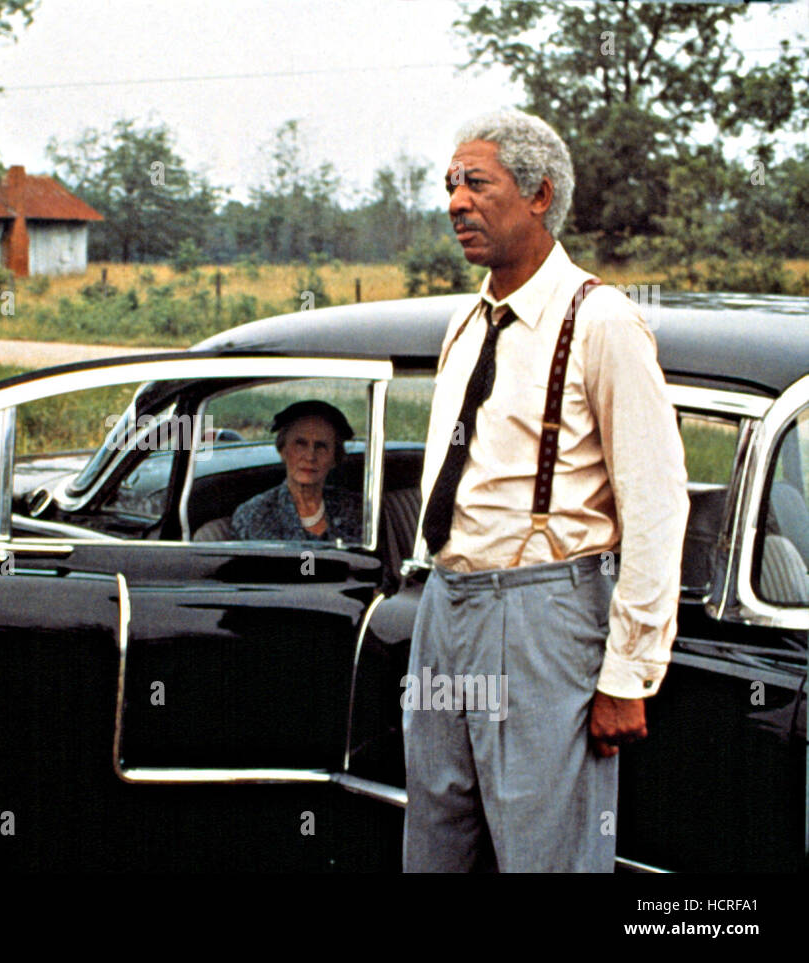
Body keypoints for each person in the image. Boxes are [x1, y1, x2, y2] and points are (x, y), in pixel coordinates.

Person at [403, 110, 689, 872]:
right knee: (435, 842)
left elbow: (658, 507)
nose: (456, 201)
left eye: (477, 183)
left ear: (540, 194)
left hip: (542, 615)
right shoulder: (466, 324)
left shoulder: (600, 322)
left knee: (545, 853)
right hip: (448, 604)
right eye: (450, 185)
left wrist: (627, 673)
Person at [231, 400, 363, 542]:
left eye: (321, 446)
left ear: (334, 457)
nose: (310, 456)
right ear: (283, 450)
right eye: (300, 444)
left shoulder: (355, 510)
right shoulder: (254, 515)